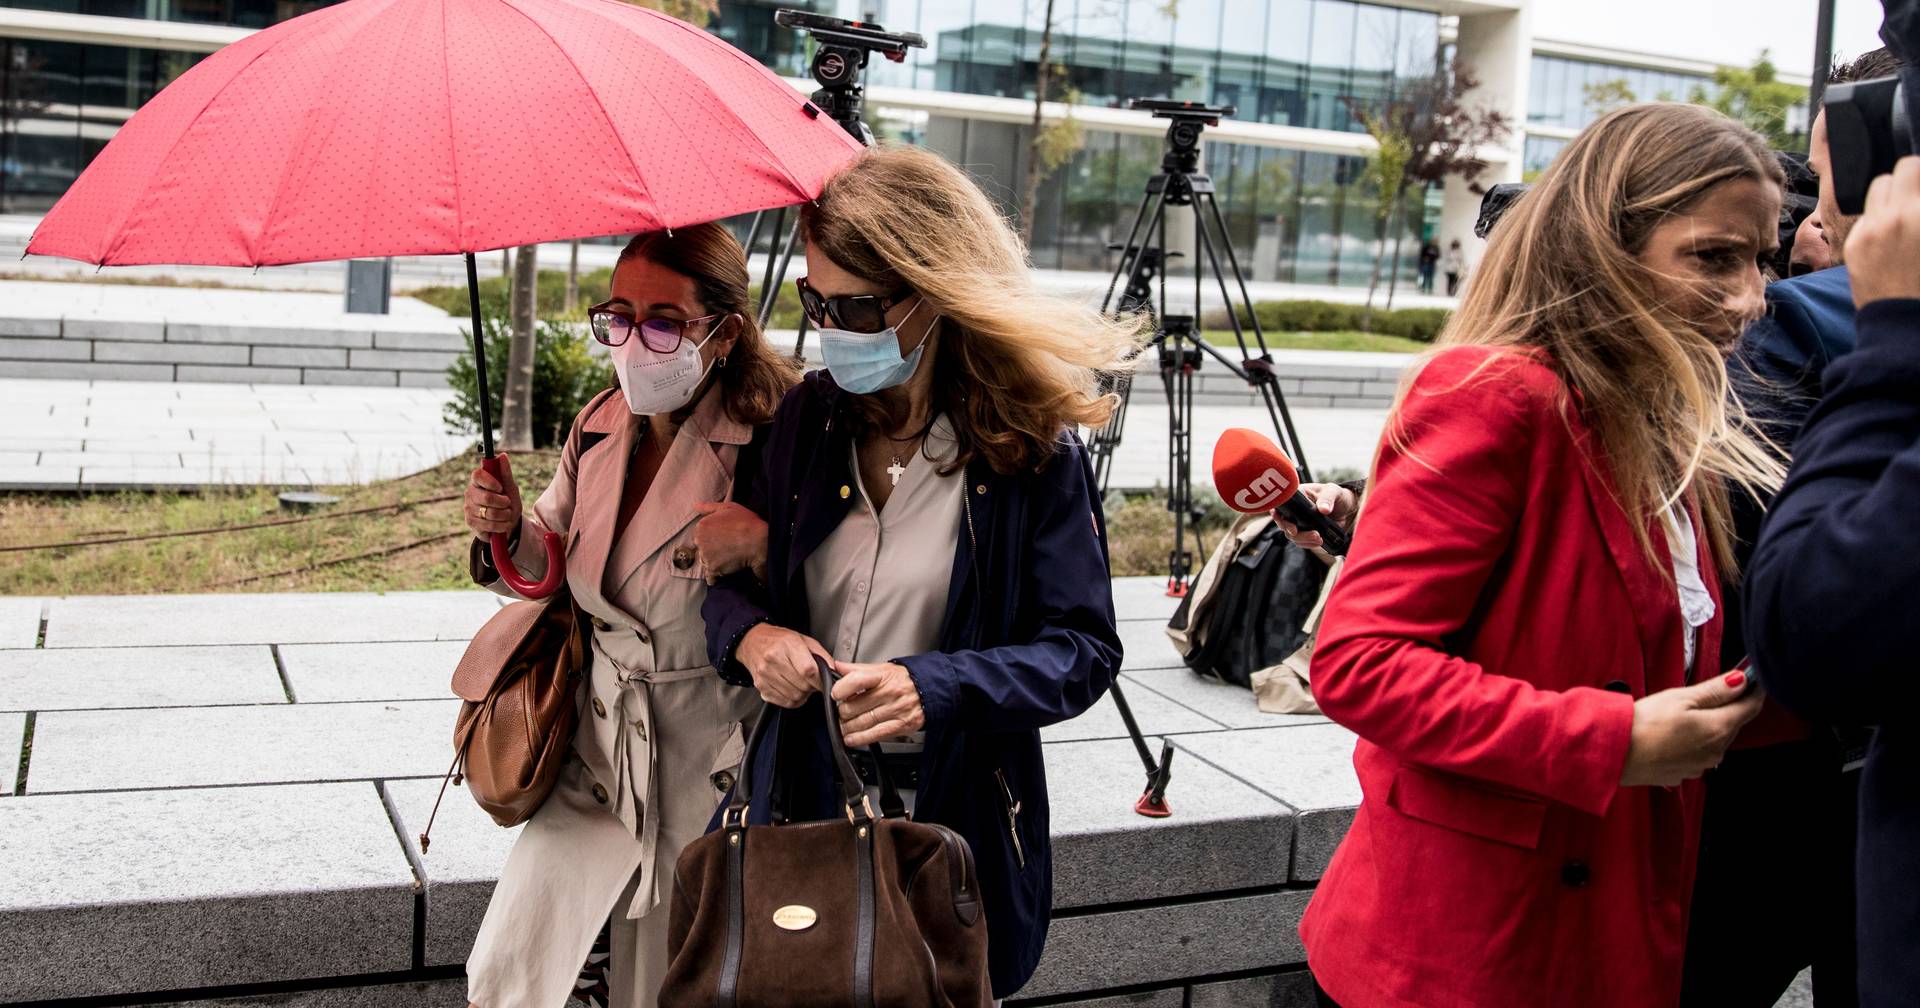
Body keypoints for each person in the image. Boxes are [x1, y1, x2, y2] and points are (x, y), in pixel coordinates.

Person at [1297, 103, 1784, 1007]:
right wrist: (1611, 739)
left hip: (1606, 930)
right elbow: (1359, 666)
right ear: (1604, 245)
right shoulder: (1497, 396)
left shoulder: (1662, 416)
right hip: (1462, 954)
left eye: (1764, 259)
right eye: (1714, 257)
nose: (1753, 296)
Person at [701, 145, 1141, 1001]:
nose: (828, 329)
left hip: (956, 822)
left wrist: (934, 687)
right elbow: (730, 585)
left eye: (856, 308)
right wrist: (752, 638)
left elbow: (1083, 650)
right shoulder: (808, 418)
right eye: (814, 299)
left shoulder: (1033, 451)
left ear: (936, 294)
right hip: (804, 801)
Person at [460, 223, 797, 1008]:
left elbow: (841, 583)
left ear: (724, 333)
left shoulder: (774, 437)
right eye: (618, 315)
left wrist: (764, 545)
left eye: (663, 321)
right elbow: (552, 562)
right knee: (514, 966)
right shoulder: (602, 423)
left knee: (664, 980)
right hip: (596, 743)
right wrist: (508, 530)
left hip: (709, 759)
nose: (636, 341)